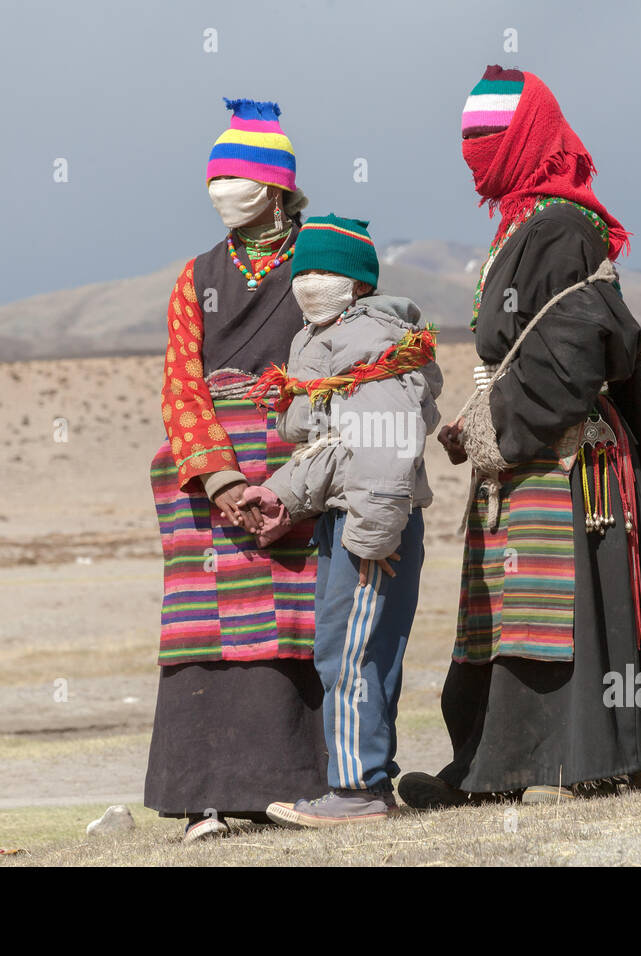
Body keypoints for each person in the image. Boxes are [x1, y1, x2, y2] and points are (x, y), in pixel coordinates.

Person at [398, 66, 641, 810]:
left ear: (529, 135)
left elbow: (575, 345)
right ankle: (496, 764)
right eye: (468, 136)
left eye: (489, 136)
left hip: (567, 453)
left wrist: (496, 427)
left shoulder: (563, 225)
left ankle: (567, 762)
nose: (476, 150)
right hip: (528, 445)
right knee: (511, 613)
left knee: (558, 612)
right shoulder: (526, 224)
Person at [144, 98, 328, 842]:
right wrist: (219, 478)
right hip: (207, 475)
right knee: (204, 634)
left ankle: (292, 788)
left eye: (237, 178)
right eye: (215, 178)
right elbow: (180, 383)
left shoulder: (319, 263)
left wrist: (292, 480)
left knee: (294, 626)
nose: (223, 190)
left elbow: (345, 361)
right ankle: (204, 800)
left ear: (277, 186)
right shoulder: (195, 276)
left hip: (296, 464)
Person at [238, 214, 443, 827]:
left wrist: (375, 535)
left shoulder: (371, 350)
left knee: (350, 653)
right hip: (350, 521)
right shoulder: (335, 349)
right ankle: (368, 782)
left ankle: (356, 789)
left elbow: (384, 448)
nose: (309, 282)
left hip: (369, 528)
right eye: (302, 270)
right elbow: (332, 450)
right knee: (359, 650)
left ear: (357, 283)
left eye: (324, 270)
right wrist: (281, 494)